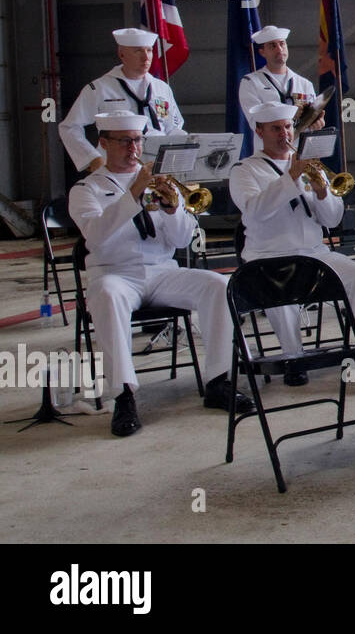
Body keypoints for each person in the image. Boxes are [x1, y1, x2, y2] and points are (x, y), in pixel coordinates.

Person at [68, 112, 250, 436]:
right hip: (115, 273)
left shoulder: (162, 181)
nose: (133, 148)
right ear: (103, 143)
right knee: (108, 296)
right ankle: (124, 394)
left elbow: (181, 240)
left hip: (162, 270)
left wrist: (172, 209)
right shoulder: (87, 189)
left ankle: (219, 380)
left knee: (218, 285)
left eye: (137, 140)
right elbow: (95, 237)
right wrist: (132, 195)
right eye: (124, 141)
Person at [229, 102, 355, 388]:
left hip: (314, 253)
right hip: (268, 255)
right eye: (276, 129)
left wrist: (321, 192)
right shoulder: (244, 170)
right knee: (277, 287)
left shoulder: (309, 164)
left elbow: (333, 217)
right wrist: (290, 178)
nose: (284, 134)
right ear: (259, 131)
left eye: (288, 127)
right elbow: (254, 212)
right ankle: (294, 358)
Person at [59, 28, 184, 174]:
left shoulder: (162, 88)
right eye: (138, 51)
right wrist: (92, 158)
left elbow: (172, 127)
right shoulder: (99, 88)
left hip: (158, 167)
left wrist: (188, 147)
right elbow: (69, 127)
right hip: (116, 168)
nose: (146, 57)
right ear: (122, 54)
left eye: (149, 50)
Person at [238, 24, 323, 131]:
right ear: (262, 52)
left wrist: (315, 122)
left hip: (300, 146)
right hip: (268, 147)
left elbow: (310, 119)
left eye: (282, 44)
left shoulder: (305, 84)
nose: (279, 49)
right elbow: (256, 122)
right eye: (272, 46)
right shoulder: (250, 82)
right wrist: (291, 112)